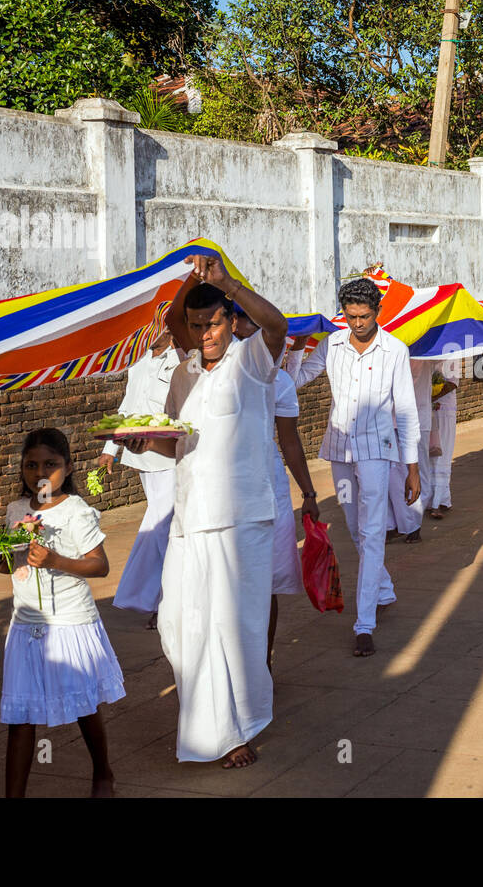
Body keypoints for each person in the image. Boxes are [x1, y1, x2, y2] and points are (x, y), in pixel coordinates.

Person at [125, 253, 289, 767]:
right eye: (196, 327)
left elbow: (277, 324)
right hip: (190, 517)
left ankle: (231, 731)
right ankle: (212, 723)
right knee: (178, 624)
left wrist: (229, 285)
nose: (204, 335)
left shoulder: (252, 360)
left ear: (231, 320)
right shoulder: (184, 372)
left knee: (233, 629)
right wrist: (138, 442)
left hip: (241, 519)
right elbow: (176, 445)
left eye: (213, 323)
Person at [289, 277, 420, 657]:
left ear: (377, 312)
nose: (358, 324)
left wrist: (411, 467)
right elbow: (296, 379)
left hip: (377, 452)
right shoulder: (332, 345)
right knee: (355, 528)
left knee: (374, 530)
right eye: (350, 317)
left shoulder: (394, 350)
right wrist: (297, 347)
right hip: (340, 450)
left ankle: (364, 624)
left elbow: (407, 410)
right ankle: (382, 588)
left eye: (364, 316)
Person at [1, 427, 122, 797]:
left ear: (68, 467)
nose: (40, 473)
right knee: (21, 717)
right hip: (25, 623)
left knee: (84, 705)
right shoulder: (16, 511)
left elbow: (99, 566)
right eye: (31, 465)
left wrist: (55, 559)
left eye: (50, 465)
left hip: (69, 621)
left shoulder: (76, 511)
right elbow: (13, 563)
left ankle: (103, 772)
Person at [235, 317, 320, 671]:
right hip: (220, 481)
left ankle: (261, 662)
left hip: (267, 481)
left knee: (264, 578)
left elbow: (289, 440)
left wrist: (309, 493)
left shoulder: (280, 381)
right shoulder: (211, 372)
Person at [98, 314, 181, 629]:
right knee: (163, 527)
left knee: (161, 526)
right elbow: (126, 406)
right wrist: (110, 449)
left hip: (169, 452)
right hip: (141, 455)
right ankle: (162, 597)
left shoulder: (181, 361)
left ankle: (158, 598)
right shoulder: (138, 361)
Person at [386, 359, 435, 542]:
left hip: (417, 419)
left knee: (418, 472)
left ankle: (415, 523)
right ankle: (396, 523)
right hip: (390, 420)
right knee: (393, 474)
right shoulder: (392, 351)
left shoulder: (425, 352)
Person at [426, 360, 459, 518]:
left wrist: (433, 397)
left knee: (442, 453)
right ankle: (428, 498)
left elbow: (452, 383)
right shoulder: (424, 354)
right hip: (425, 411)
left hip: (445, 410)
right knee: (427, 456)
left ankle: (437, 502)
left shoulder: (452, 355)